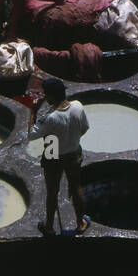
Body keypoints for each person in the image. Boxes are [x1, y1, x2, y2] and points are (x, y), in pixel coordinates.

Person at [28, 77, 90, 236]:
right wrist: (71, 139)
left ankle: (49, 226)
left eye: (45, 94)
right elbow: (84, 128)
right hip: (73, 151)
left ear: (51, 96)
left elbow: (31, 135)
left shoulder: (50, 118)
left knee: (52, 192)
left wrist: (33, 110)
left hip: (52, 150)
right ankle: (80, 223)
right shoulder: (77, 106)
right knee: (75, 188)